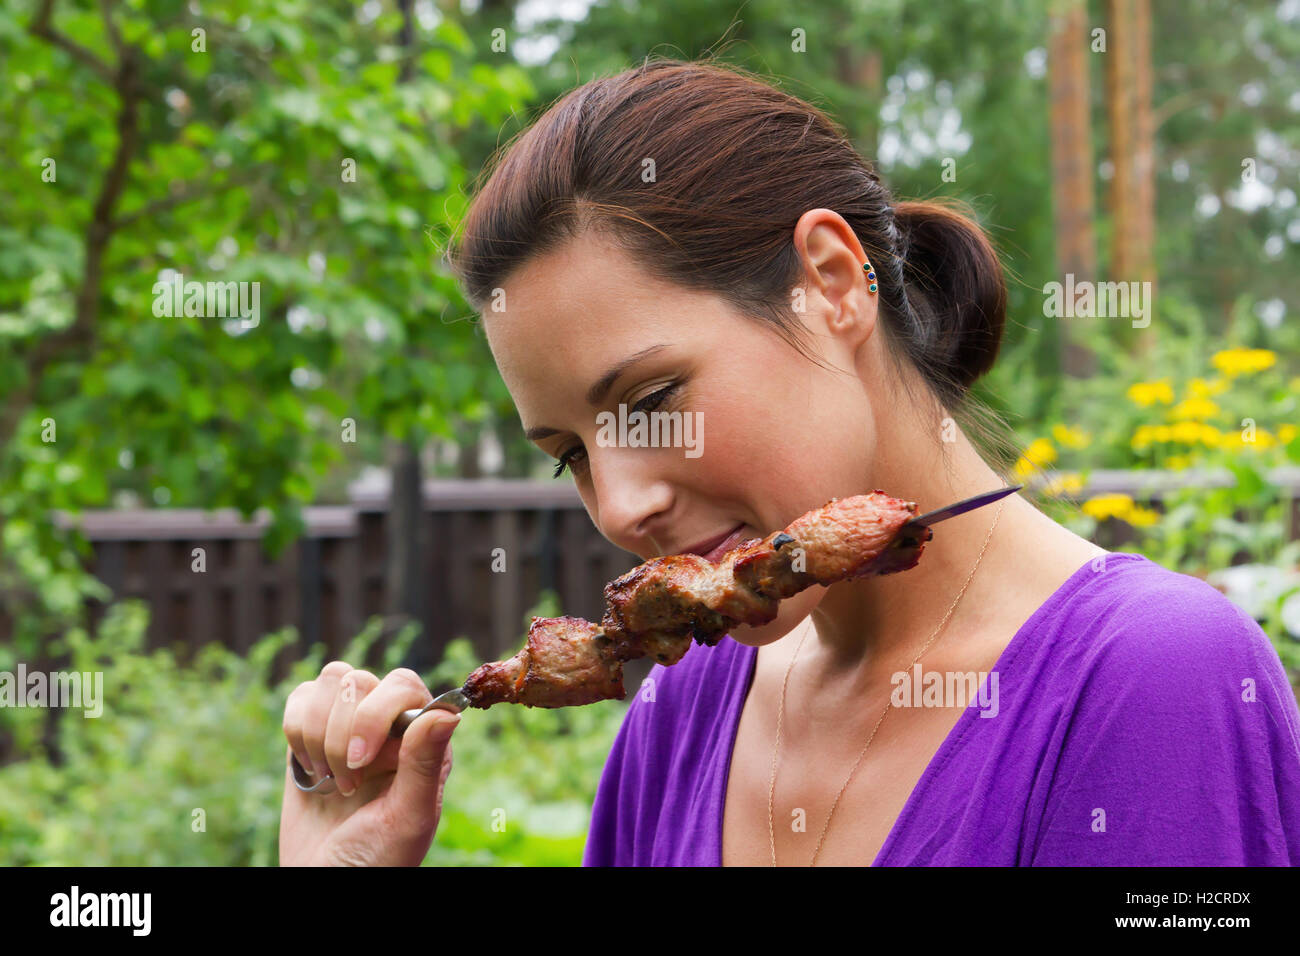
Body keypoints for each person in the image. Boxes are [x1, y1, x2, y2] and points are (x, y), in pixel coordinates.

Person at [279, 57, 1300, 866]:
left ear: (830, 281)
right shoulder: (678, 721)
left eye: (648, 403)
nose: (624, 504)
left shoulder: (1152, 683)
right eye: (571, 458)